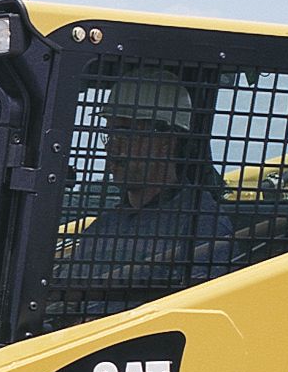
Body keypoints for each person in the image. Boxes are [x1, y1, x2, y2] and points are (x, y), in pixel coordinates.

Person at [54, 69, 234, 301]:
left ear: (165, 142)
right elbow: (63, 300)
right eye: (109, 134)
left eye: (125, 134)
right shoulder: (102, 228)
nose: (111, 148)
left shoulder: (203, 227)